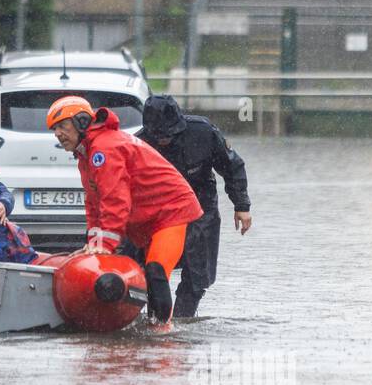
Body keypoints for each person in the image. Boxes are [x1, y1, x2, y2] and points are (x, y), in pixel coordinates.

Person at [47, 95, 202, 325]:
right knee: (146, 276)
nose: (58, 134)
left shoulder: (103, 149)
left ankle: (162, 335)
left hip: (170, 213)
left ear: (81, 122)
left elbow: (115, 201)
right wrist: (93, 243)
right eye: (54, 129)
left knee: (156, 271)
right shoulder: (87, 154)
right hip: (147, 218)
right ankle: (150, 327)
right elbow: (94, 204)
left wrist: (105, 245)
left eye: (62, 126)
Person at [137, 95, 252, 318]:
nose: (163, 140)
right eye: (158, 136)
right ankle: (156, 317)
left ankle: (182, 319)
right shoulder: (138, 144)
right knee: (152, 269)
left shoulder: (203, 133)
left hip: (200, 206)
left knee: (198, 272)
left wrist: (241, 205)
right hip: (160, 211)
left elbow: (232, 167)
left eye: (168, 134)